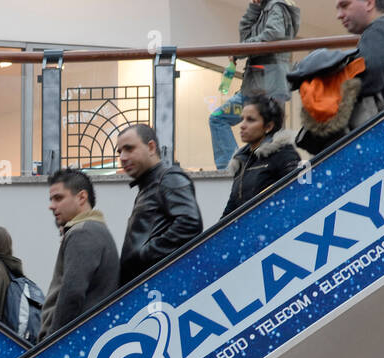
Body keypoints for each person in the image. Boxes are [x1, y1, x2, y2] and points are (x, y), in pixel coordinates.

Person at [210, 0, 303, 167]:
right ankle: (230, 167)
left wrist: (239, 51)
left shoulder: (277, 6)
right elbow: (245, 37)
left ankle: (247, 167)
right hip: (254, 87)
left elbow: (273, 35)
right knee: (218, 118)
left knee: (268, 135)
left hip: (268, 85)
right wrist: (253, 8)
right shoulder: (263, 9)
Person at [115, 124, 203, 286]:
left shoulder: (168, 178)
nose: (122, 157)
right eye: (120, 152)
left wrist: (142, 255)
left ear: (151, 147)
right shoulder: (149, 185)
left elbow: (190, 224)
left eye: (129, 149)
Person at [38, 169, 120, 341]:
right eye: (51, 199)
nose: (51, 206)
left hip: (71, 343)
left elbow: (72, 293)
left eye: (58, 198)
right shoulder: (95, 229)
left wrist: (51, 344)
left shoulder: (82, 232)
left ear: (82, 197)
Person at [221, 96, 304, 218]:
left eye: (250, 120)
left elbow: (295, 201)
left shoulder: (285, 155)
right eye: (242, 119)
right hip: (246, 233)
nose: (242, 125)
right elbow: (232, 207)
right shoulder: (241, 159)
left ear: (268, 127)